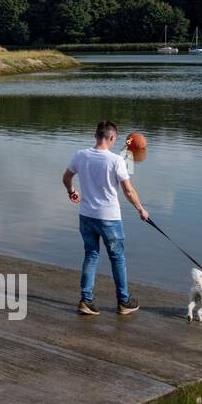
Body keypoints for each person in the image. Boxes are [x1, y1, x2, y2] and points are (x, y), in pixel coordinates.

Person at [62, 120, 147, 316]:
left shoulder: (81, 155)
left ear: (96, 136)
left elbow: (66, 178)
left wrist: (71, 192)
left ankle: (86, 300)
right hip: (109, 218)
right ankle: (123, 302)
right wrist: (141, 209)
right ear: (112, 138)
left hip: (86, 216)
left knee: (91, 255)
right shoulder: (116, 160)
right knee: (117, 258)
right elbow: (128, 191)